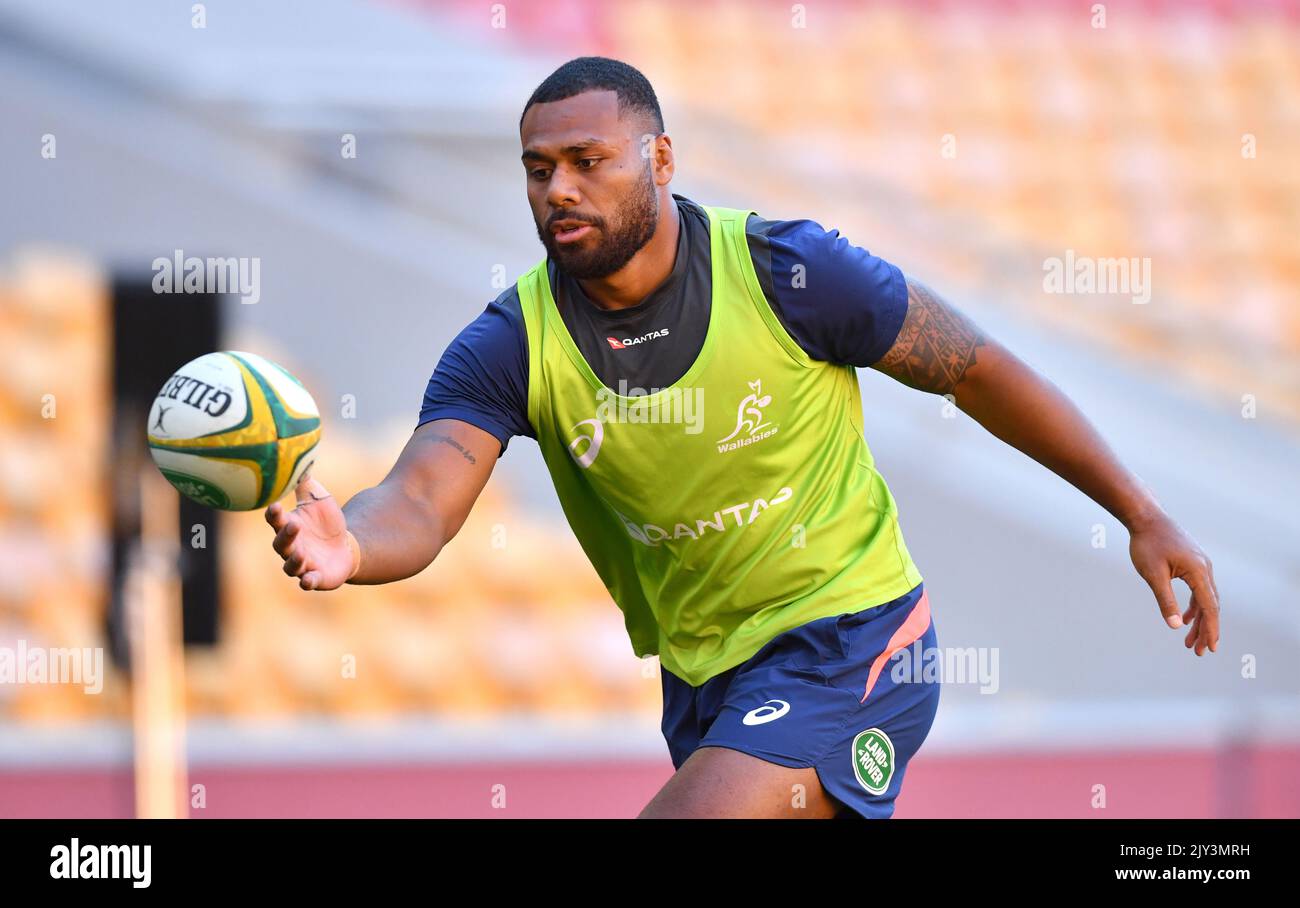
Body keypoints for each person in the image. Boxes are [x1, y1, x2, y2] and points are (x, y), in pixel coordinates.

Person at [266, 57, 1220, 819]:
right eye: (537, 167)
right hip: (705, 683)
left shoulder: (792, 274)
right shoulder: (511, 344)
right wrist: (354, 542)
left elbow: (976, 370)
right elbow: (423, 499)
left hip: (856, 641)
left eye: (587, 161)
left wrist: (1140, 512)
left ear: (661, 161)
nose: (558, 188)